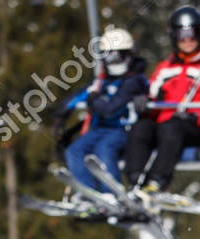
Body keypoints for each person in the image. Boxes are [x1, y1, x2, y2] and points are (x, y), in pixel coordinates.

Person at [122, 7, 200, 193]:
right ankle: (135, 181)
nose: (187, 40)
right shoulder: (166, 67)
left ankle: (157, 183)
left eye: (192, 34)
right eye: (181, 35)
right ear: (173, 37)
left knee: (172, 127)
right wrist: (145, 104)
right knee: (141, 127)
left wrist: (195, 117)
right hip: (166, 125)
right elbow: (152, 97)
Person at [61, 28, 147, 197]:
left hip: (123, 130)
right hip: (99, 130)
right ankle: (90, 194)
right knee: (73, 151)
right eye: (108, 56)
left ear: (128, 55)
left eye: (117, 56)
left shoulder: (135, 81)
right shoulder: (102, 80)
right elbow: (78, 97)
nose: (113, 62)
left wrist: (93, 100)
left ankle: (113, 194)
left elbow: (109, 109)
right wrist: (62, 113)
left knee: (104, 149)